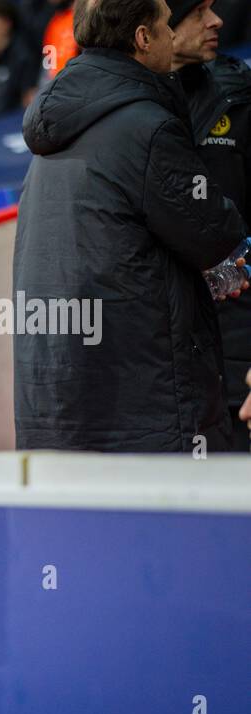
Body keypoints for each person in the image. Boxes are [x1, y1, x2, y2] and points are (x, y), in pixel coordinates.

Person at [13, 0, 246, 452]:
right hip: (145, 399)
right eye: (165, 24)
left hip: (59, 402)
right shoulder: (147, 125)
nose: (172, 33)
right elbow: (218, 232)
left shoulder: (52, 132)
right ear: (143, 38)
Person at [172, 0, 251, 445]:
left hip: (237, 347)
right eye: (198, 11)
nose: (216, 20)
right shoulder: (120, 107)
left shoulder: (239, 97)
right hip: (164, 360)